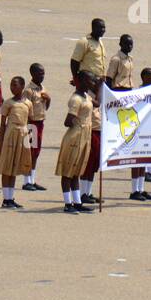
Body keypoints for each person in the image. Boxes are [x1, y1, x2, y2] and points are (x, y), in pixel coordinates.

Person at [55, 71, 95, 213]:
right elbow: (67, 121)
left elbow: (98, 102)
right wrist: (78, 122)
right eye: (90, 80)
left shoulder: (86, 96)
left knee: (76, 171)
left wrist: (102, 86)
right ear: (82, 81)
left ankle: (77, 202)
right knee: (68, 171)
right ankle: (67, 203)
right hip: (75, 136)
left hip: (84, 136)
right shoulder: (76, 99)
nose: (92, 83)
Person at [0, 76, 34, 209]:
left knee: (16, 165)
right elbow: (3, 122)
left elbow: (30, 121)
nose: (12, 87)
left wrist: (30, 139)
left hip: (22, 134)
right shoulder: (8, 103)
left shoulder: (28, 103)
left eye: (15, 85)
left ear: (22, 87)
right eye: (11, 85)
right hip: (11, 133)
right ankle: (6, 198)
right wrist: (3, 137)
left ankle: (11, 198)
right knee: (7, 166)